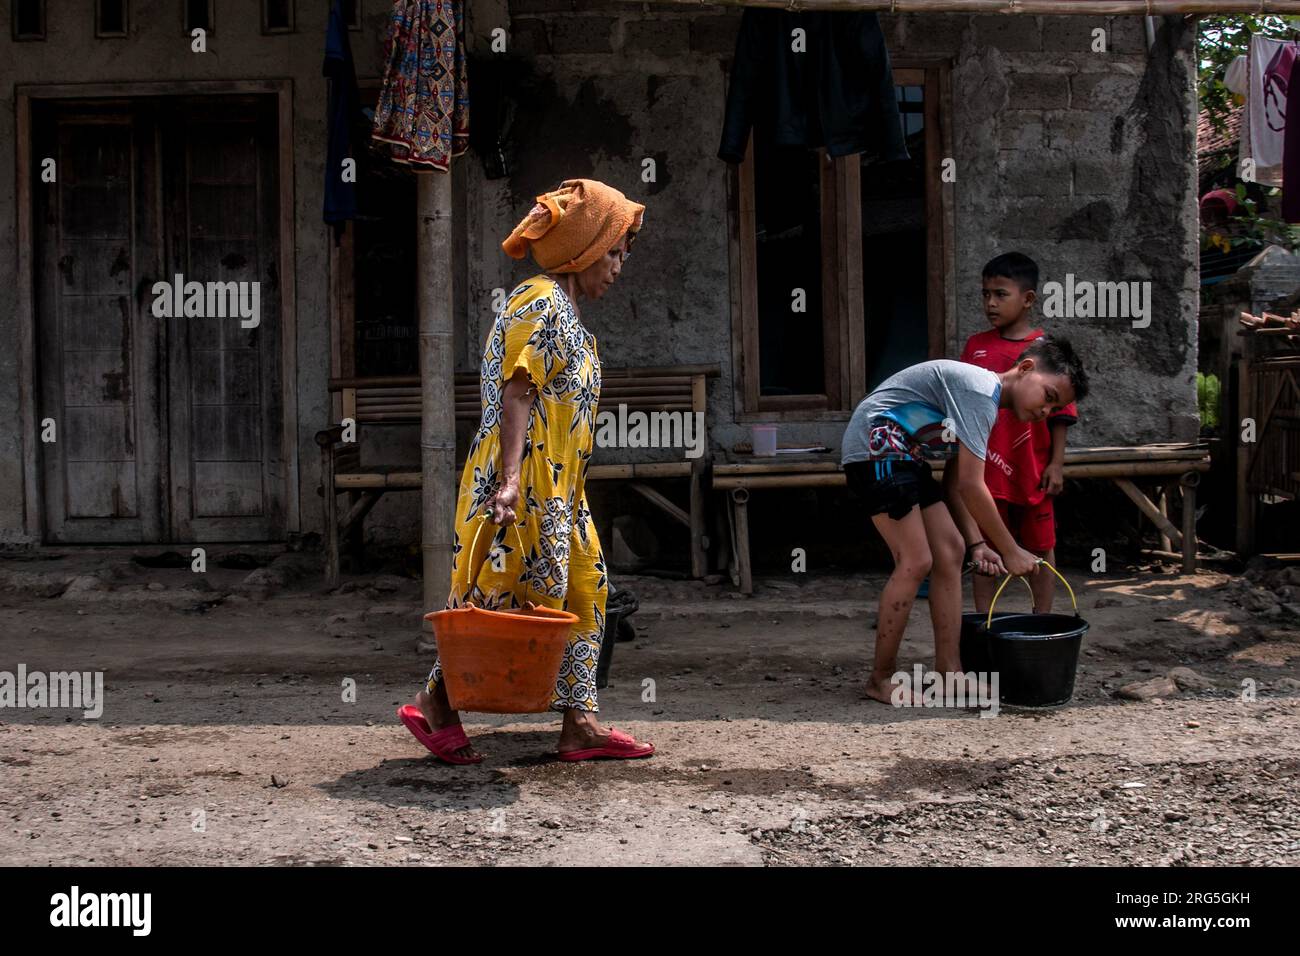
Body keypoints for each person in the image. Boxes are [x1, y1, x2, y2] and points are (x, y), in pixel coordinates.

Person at [398, 179, 655, 763]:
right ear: (584, 248)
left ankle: (580, 722)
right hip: (524, 484)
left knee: (587, 591)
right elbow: (518, 392)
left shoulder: (564, 309)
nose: (619, 266)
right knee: (498, 594)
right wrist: (511, 481)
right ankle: (435, 702)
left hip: (560, 487)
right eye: (614, 252)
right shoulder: (539, 301)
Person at [841, 338, 1090, 703]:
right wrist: (1011, 550)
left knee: (952, 550)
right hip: (875, 448)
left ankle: (950, 673)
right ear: (1025, 369)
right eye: (1048, 395)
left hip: (907, 457)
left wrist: (978, 544)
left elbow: (956, 484)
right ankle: (880, 679)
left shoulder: (983, 403)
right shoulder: (979, 390)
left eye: (1054, 408)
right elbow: (975, 487)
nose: (1046, 411)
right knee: (917, 559)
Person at [960, 252, 1079, 614]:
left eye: (1000, 294)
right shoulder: (975, 347)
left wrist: (1056, 463)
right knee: (988, 550)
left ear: (1027, 299)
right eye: (985, 295)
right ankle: (985, 620)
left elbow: (1061, 415)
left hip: (1032, 466)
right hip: (985, 467)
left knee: (1042, 547)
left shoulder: (1047, 353)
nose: (990, 303)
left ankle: (1041, 620)